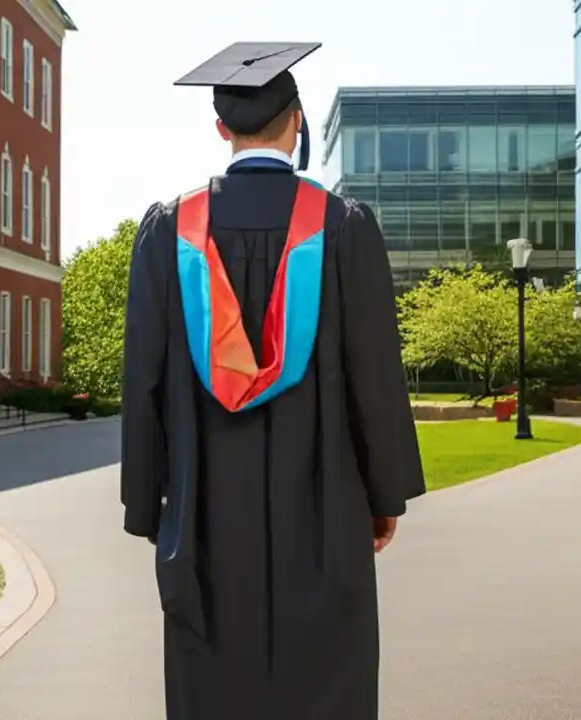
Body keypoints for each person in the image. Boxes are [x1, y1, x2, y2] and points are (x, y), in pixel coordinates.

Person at [120, 41, 425, 720]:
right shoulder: (344, 228)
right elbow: (376, 376)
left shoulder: (170, 231)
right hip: (324, 515)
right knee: (326, 685)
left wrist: (149, 507)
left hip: (203, 517)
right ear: (297, 121)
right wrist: (383, 499)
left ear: (221, 129)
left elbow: (141, 380)